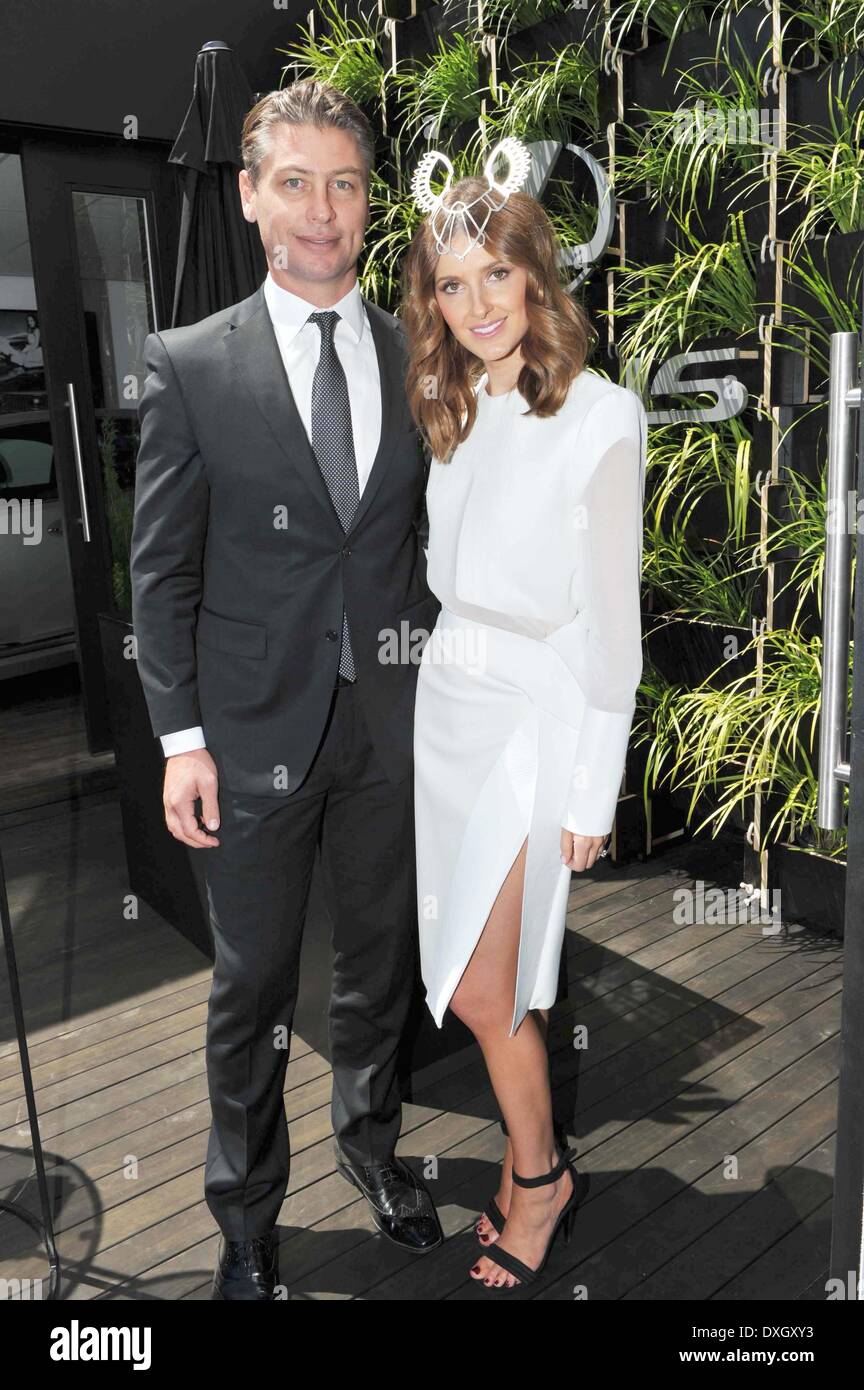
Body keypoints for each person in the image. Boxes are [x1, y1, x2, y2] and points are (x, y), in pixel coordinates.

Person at [130, 80, 444, 1301]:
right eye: (297, 181)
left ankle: (371, 1148)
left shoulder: (419, 354)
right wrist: (181, 739)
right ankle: (247, 1208)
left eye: (348, 183)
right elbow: (162, 572)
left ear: (370, 204)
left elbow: (427, 542)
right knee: (252, 984)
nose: (325, 210)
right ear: (252, 195)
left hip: (390, 725)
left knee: (377, 962)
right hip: (250, 734)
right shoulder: (191, 364)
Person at [401, 138, 647, 1292]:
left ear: (537, 274)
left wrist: (593, 790)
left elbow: (613, 628)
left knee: (491, 987)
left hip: (532, 723)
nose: (477, 303)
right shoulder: (453, 405)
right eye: (451, 284)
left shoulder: (602, 416)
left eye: (494, 273)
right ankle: (528, 1146)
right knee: (465, 978)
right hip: (447, 704)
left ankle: (542, 1179)